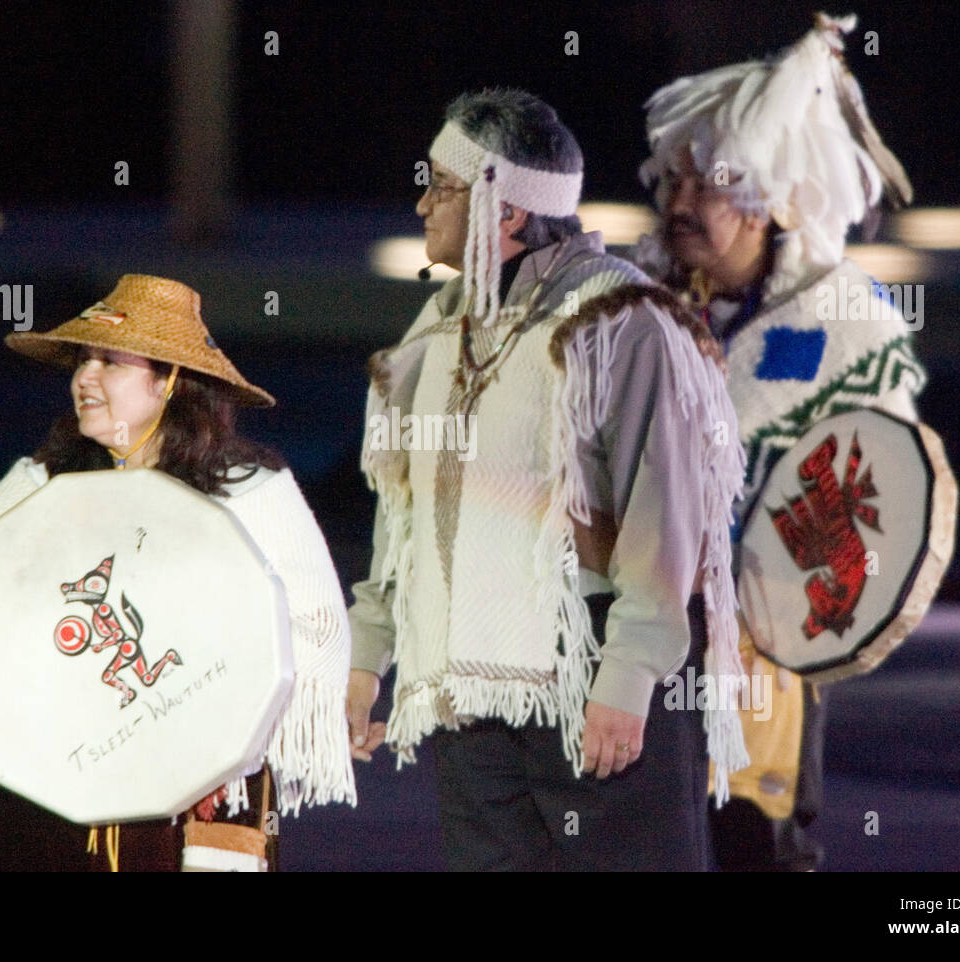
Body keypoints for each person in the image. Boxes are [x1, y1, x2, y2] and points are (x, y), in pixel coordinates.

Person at [0, 273, 356, 871]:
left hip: (198, 814)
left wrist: (208, 727)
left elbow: (317, 633)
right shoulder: (44, 484)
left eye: (110, 362)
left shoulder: (248, 491)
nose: (84, 378)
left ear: (167, 379)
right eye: (81, 360)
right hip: (54, 806)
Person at [345, 88, 747, 871]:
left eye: (444, 186)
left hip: (585, 687)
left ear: (508, 209)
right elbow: (403, 514)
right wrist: (370, 656)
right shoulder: (432, 330)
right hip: (468, 708)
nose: (424, 202)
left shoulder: (615, 322)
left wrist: (628, 677)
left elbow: (664, 516)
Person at [633, 13, 927, 871]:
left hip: (764, 658)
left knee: (754, 849)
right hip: (629, 650)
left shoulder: (846, 324)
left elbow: (882, 496)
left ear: (769, 197)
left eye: (711, 185)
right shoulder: (622, 309)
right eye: (673, 181)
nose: (682, 203)